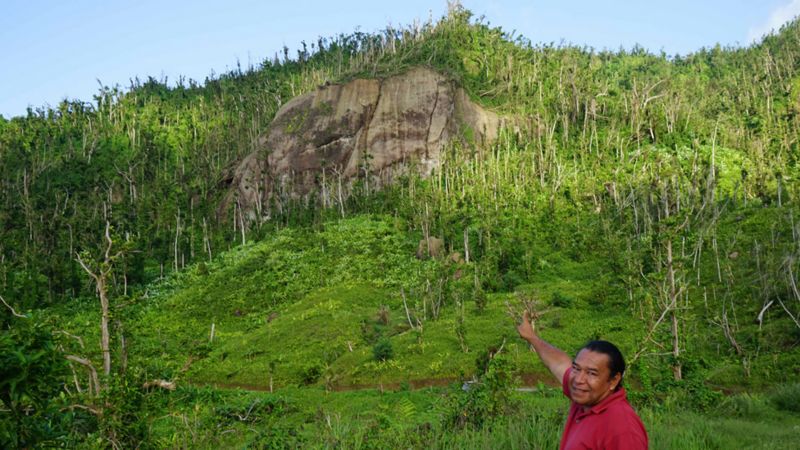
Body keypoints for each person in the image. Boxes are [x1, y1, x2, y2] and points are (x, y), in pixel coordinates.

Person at [516, 311, 648, 449]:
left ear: (614, 380)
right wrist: (532, 337)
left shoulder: (622, 429)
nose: (579, 379)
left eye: (591, 373)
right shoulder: (586, 398)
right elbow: (559, 364)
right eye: (577, 368)